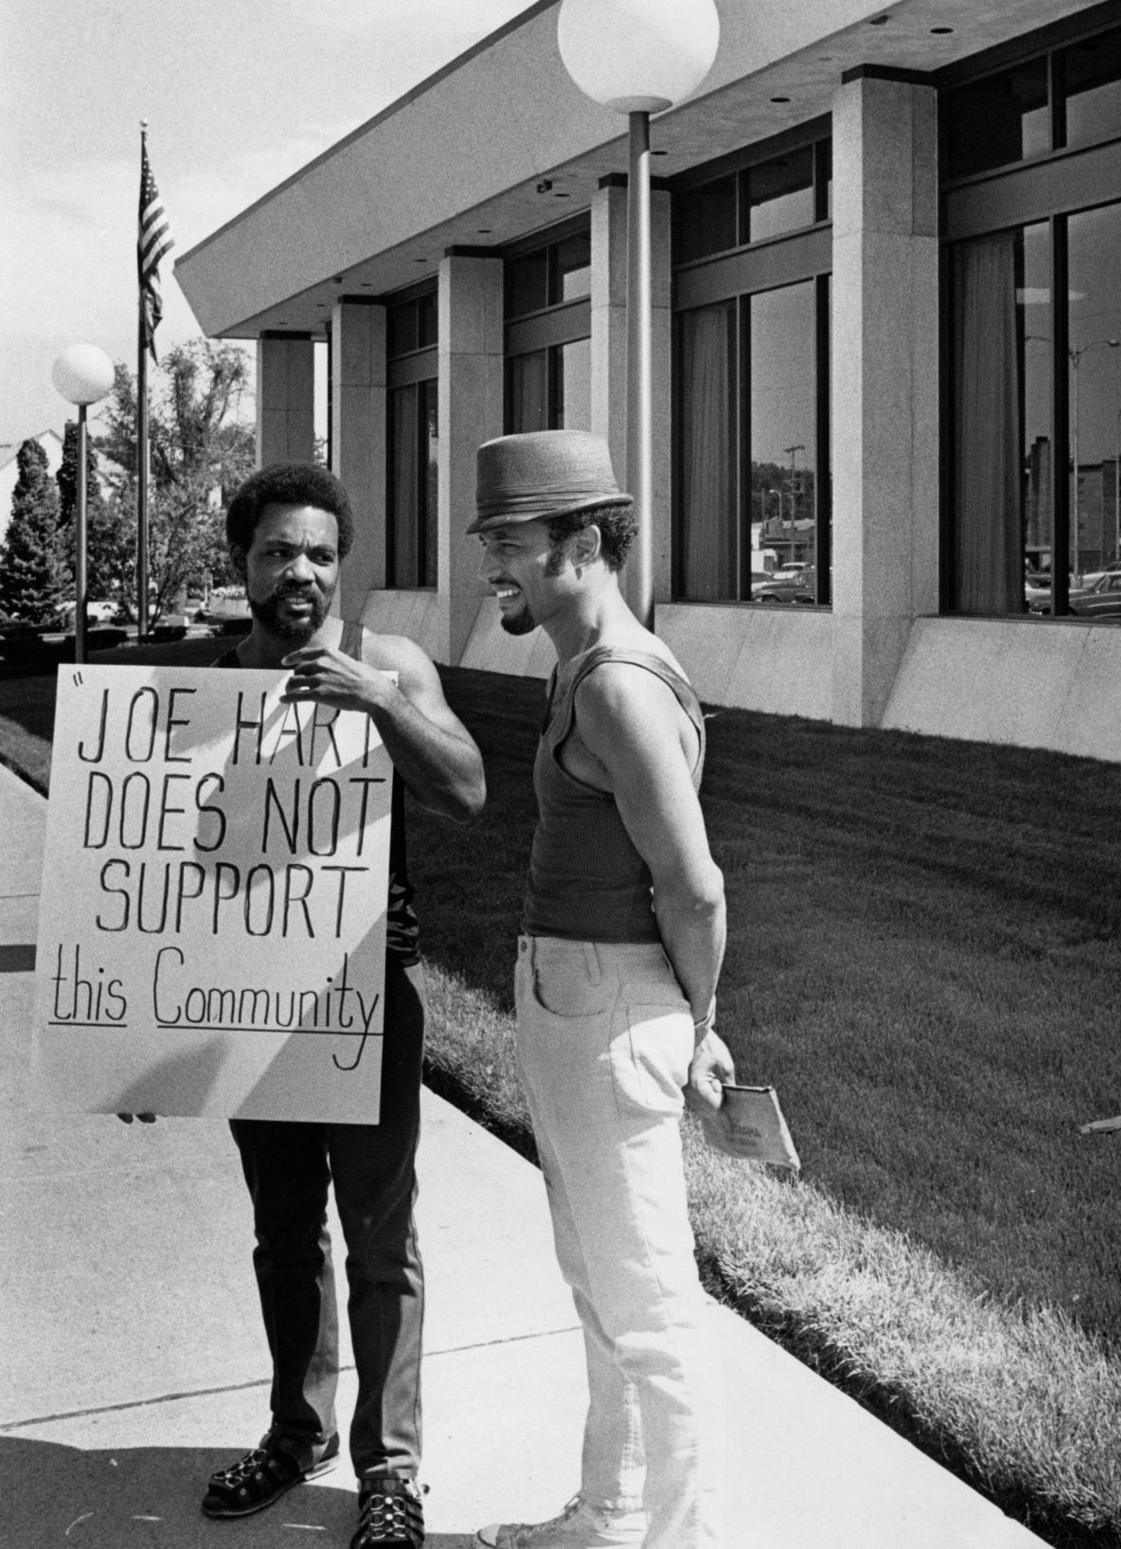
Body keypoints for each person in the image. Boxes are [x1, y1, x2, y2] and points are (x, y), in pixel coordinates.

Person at [200, 462, 485, 1549]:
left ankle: (391, 1469)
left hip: (366, 999)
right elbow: (160, 876)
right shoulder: (204, 690)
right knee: (282, 1234)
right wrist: (133, 1035)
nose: (302, 571)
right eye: (278, 551)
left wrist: (380, 701)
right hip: (251, 1003)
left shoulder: (389, 662)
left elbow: (467, 790)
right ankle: (297, 1428)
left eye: (320, 553)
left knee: (380, 1240)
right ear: (243, 564)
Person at [470, 431, 735, 1549]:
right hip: (576, 997)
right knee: (601, 1288)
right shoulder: (582, 664)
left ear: (582, 543)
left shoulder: (619, 684)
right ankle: (612, 1516)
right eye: (489, 540)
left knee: (654, 1314)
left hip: (604, 1001)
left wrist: (701, 1022)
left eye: (510, 541)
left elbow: (696, 886)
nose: (492, 564)